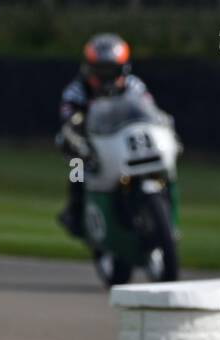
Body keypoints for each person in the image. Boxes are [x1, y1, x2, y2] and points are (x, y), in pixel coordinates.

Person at [55, 33, 152, 237]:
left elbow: (149, 110)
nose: (106, 77)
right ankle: (75, 209)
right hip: (94, 144)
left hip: (125, 141)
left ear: (123, 69)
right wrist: (76, 127)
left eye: (111, 70)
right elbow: (68, 118)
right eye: (100, 70)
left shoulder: (134, 86)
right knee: (77, 165)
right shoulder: (77, 90)